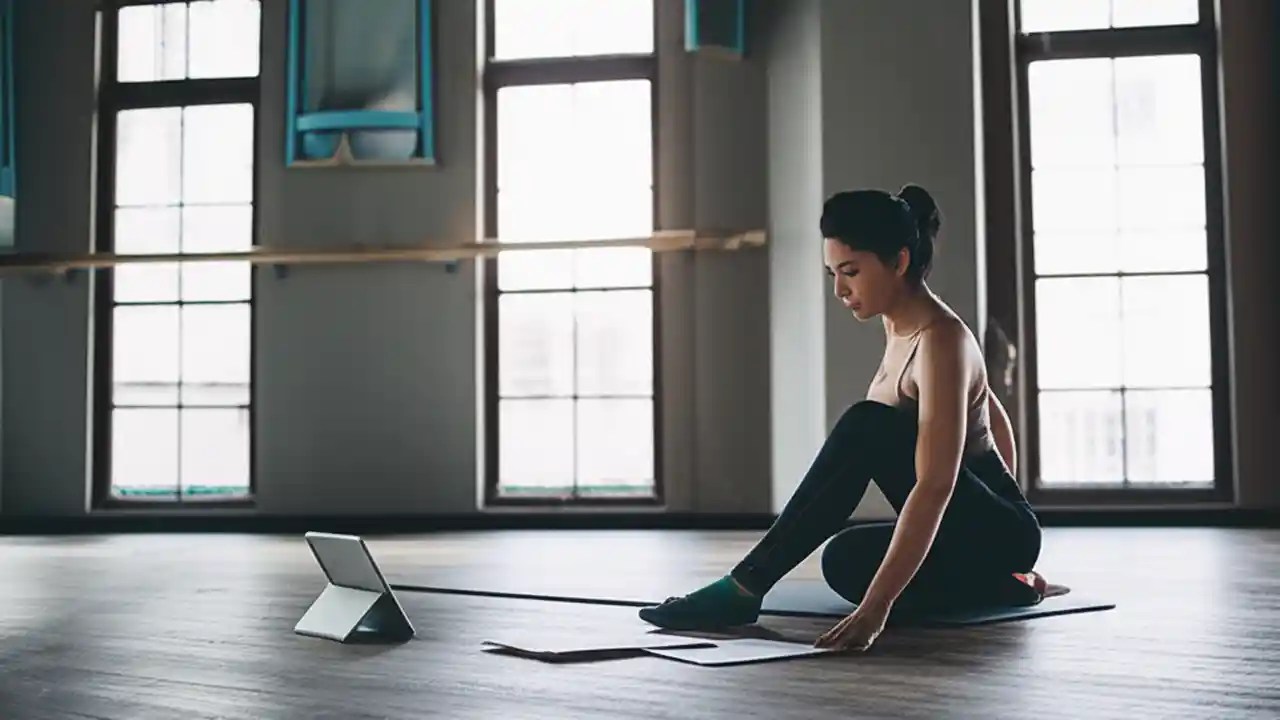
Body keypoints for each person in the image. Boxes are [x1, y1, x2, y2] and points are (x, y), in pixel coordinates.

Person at [638, 185, 1045, 652]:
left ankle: (745, 586)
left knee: (866, 424)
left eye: (851, 272)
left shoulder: (942, 340)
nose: (839, 289)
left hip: (997, 532)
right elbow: (990, 413)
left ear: (899, 261)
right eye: (833, 273)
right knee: (844, 561)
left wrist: (875, 611)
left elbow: (936, 484)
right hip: (971, 532)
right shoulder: (898, 324)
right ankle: (1005, 585)